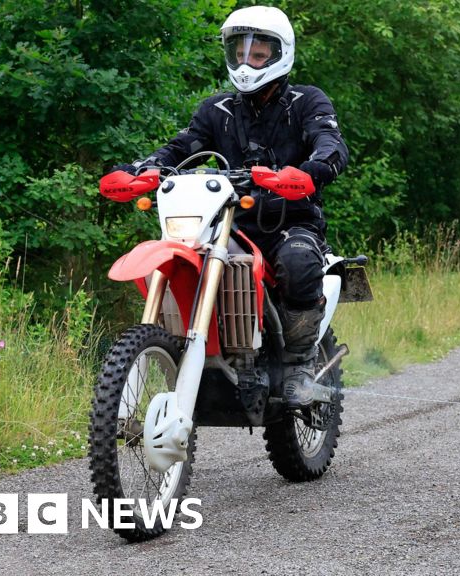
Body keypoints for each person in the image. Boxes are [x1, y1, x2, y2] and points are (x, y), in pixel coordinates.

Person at [114, 6, 349, 409]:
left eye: (257, 55)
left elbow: (331, 144)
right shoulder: (217, 110)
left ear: (280, 54)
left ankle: (297, 368)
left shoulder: (307, 101)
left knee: (297, 261)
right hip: (228, 223)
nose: (246, 62)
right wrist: (138, 170)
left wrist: (308, 172)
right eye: (238, 52)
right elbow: (181, 147)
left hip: (289, 221)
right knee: (192, 255)